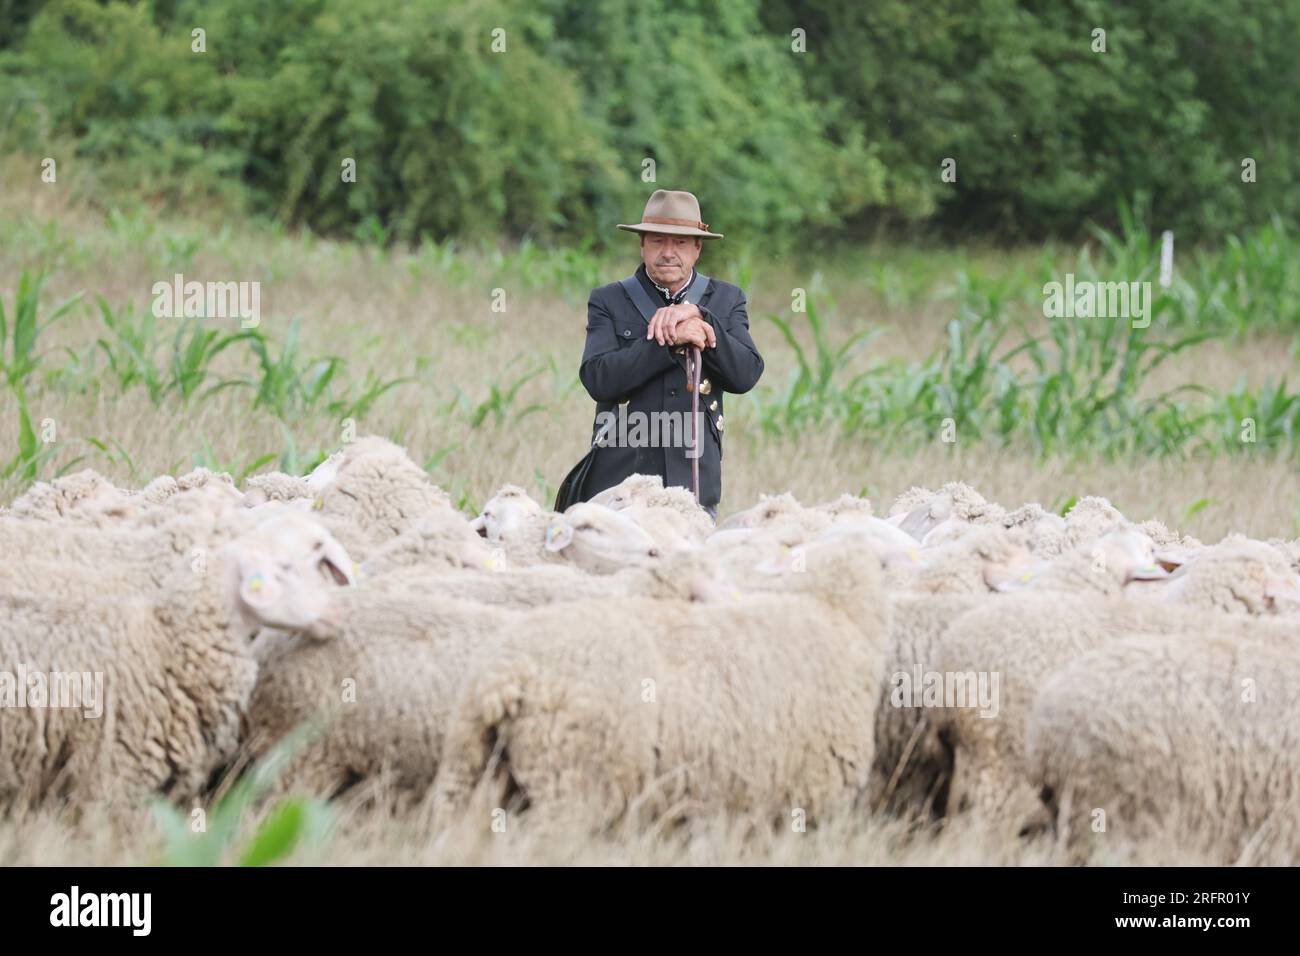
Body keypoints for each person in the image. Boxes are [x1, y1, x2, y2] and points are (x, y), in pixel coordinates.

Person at [577, 189, 764, 521]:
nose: (668, 253)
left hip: (692, 478)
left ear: (697, 248)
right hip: (620, 480)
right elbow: (598, 380)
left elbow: (746, 374)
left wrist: (703, 321)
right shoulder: (608, 300)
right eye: (657, 242)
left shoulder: (726, 299)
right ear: (642, 245)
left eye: (679, 243)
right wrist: (666, 341)